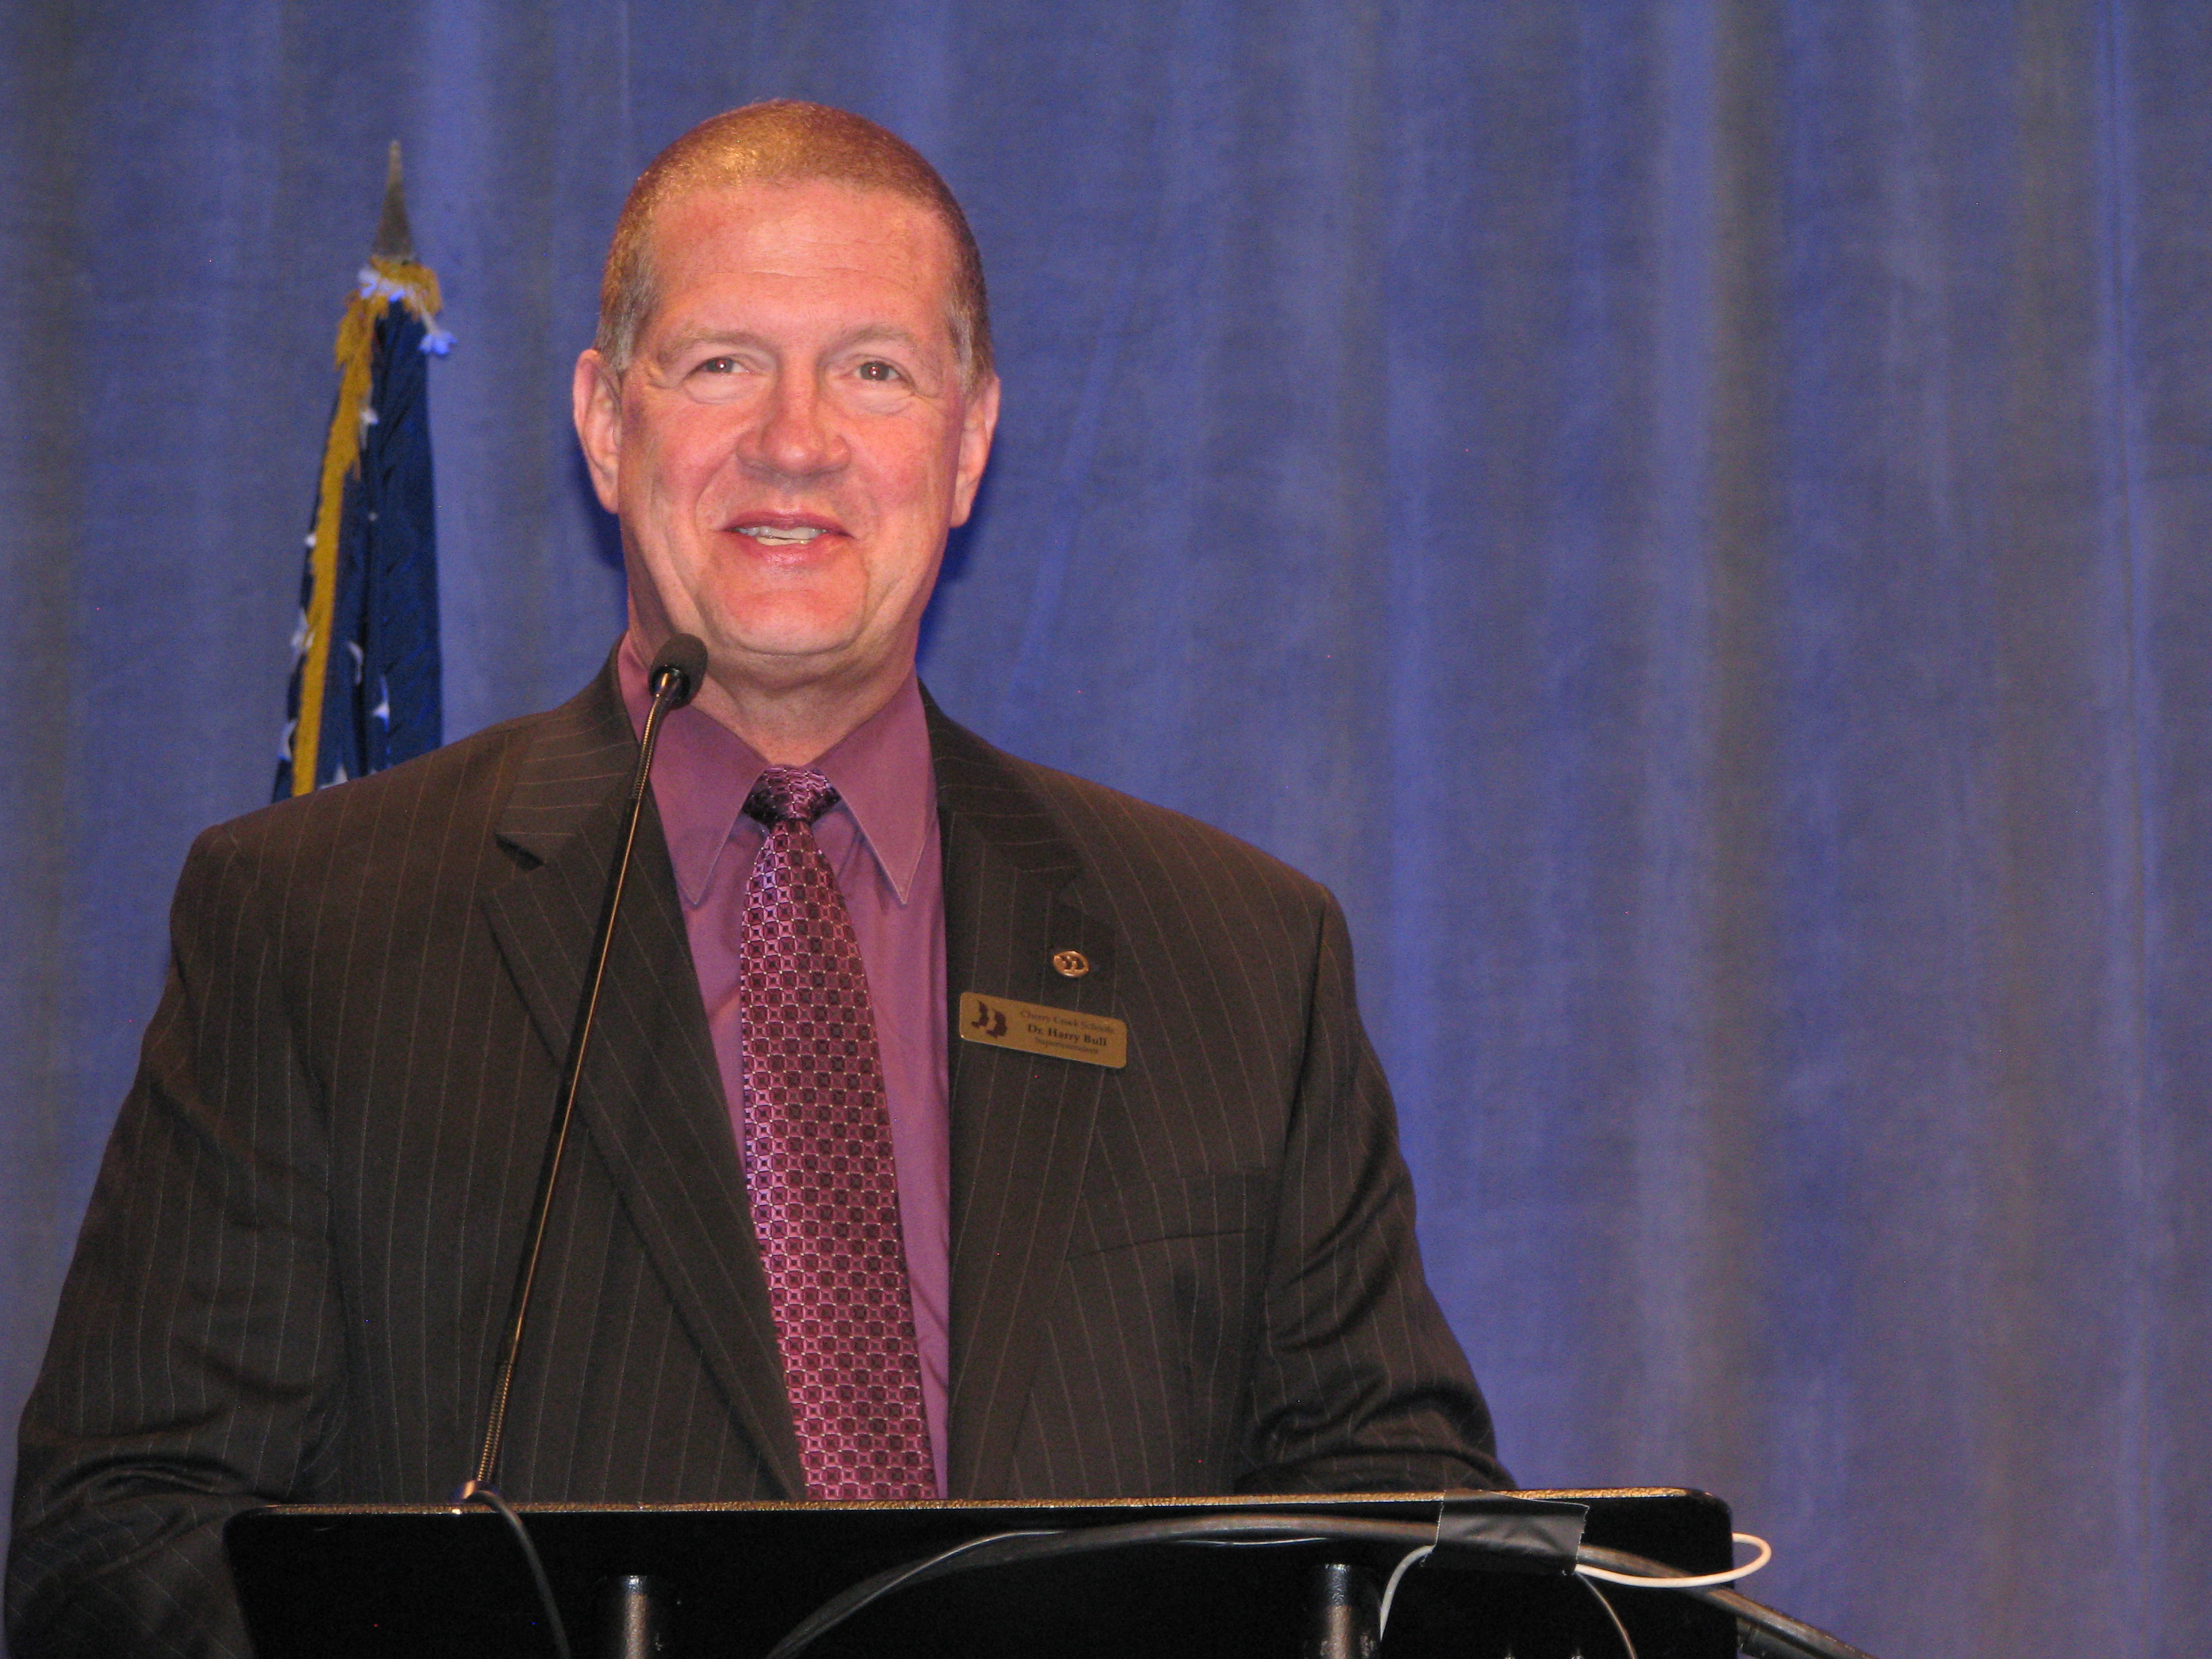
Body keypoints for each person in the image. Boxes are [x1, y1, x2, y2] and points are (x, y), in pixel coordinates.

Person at [7, 102, 1502, 1656]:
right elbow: (120, 1546)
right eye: (723, 364)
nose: (796, 440)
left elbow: (1407, 1541)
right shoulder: (313, 931)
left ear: (972, 439)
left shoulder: (1240, 963)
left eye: (874, 370)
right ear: (604, 422)